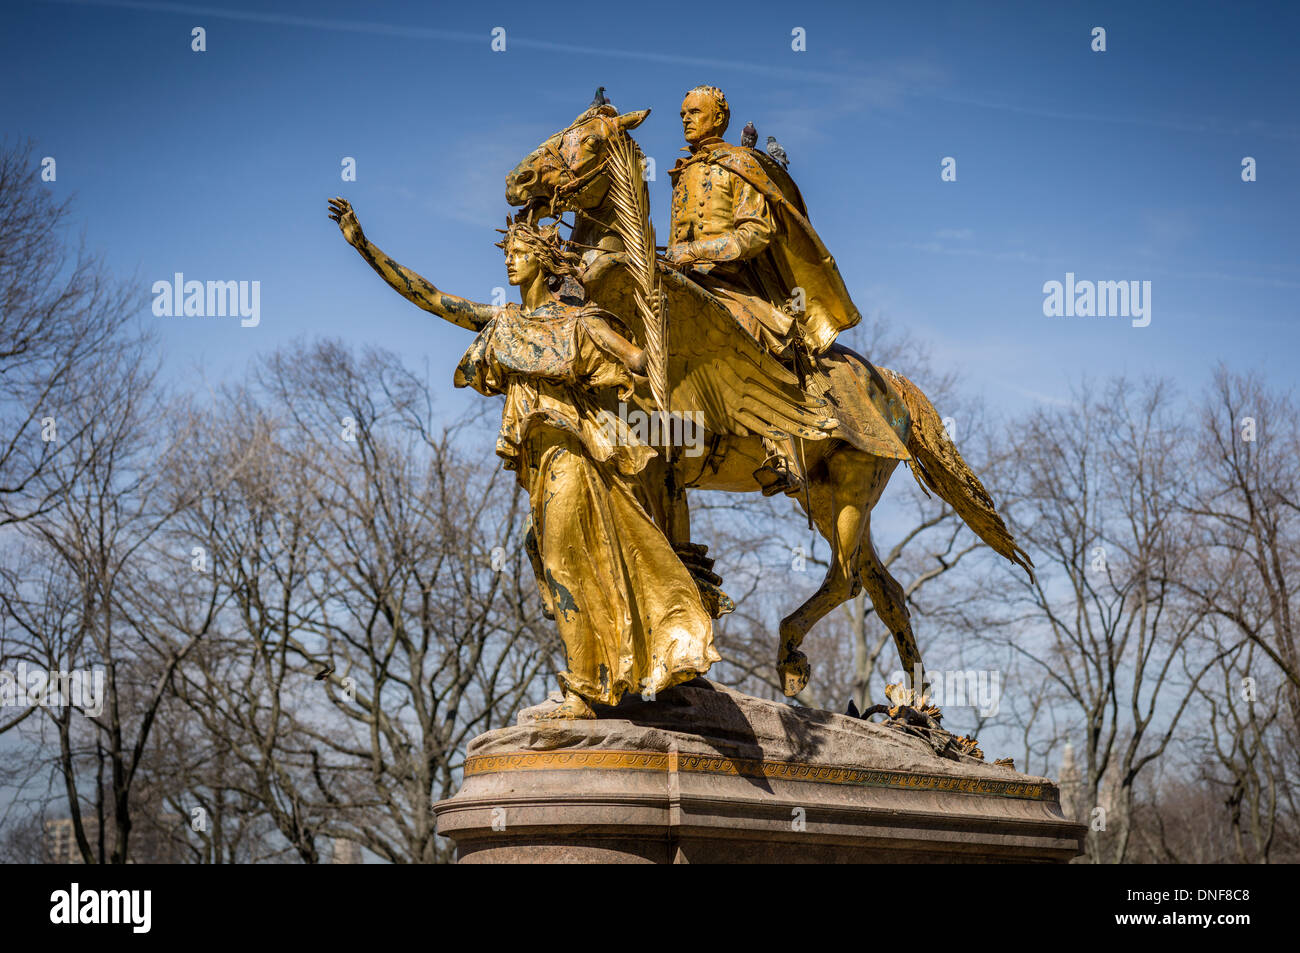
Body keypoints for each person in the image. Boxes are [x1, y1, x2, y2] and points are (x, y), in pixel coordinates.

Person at [328, 198, 719, 718]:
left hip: (573, 456)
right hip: (540, 466)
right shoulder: (506, 324)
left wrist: (651, 324)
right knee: (556, 563)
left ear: (544, 260)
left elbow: (639, 362)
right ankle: (606, 674)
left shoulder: (581, 324)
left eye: (518, 252)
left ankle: (585, 689)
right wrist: (363, 245)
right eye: (507, 252)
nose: (509, 261)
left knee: (563, 560)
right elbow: (432, 298)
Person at [665, 85, 866, 495]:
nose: (686, 119)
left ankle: (781, 449)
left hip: (735, 283)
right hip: (686, 280)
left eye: (694, 112)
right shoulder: (684, 171)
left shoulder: (739, 164)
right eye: (683, 113)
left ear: (719, 118)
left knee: (752, 330)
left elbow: (757, 232)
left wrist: (695, 253)